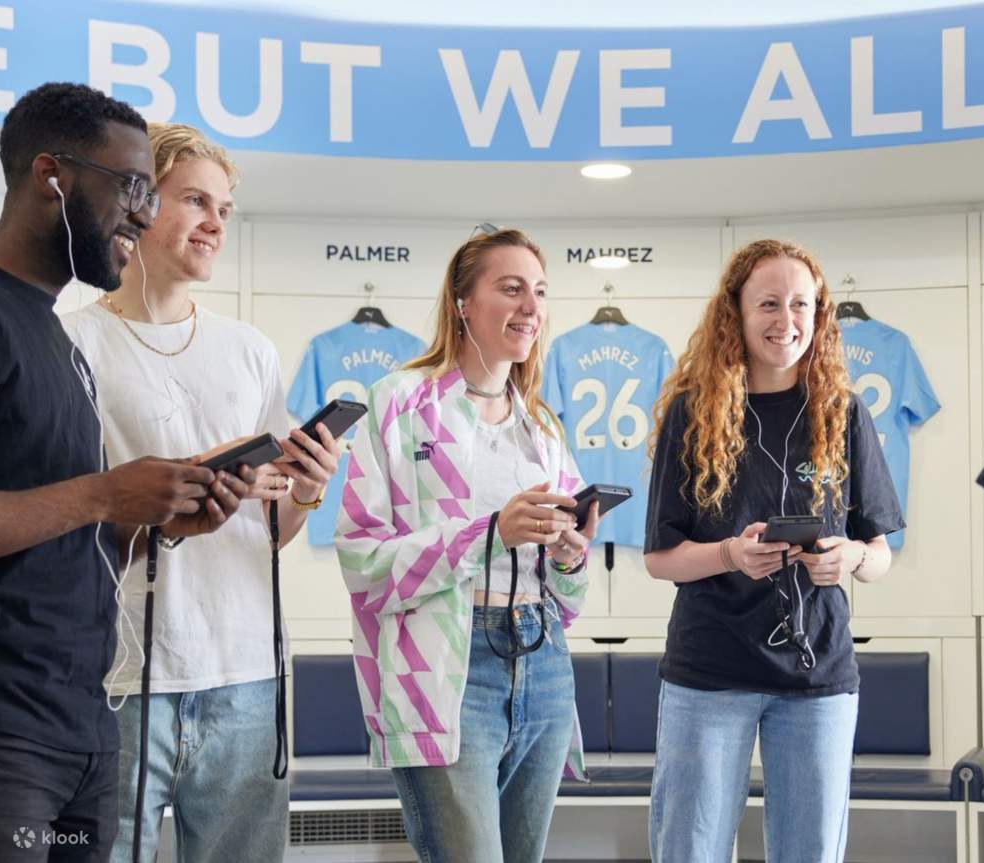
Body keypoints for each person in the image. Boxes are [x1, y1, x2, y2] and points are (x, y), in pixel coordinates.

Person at [60, 122, 342, 863]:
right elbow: (70, 517)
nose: (216, 223)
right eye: (195, 200)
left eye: (224, 208)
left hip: (249, 676)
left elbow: (263, 529)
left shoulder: (250, 350)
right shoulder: (74, 342)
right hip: (122, 679)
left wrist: (304, 491)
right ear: (138, 201)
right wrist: (188, 478)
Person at [0, 83, 251, 861]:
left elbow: (71, 540)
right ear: (52, 176)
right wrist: (109, 491)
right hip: (9, 740)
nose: (142, 215)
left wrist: (150, 520)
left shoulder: (57, 341)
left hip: (83, 728)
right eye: (132, 187)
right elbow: (81, 500)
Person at [334, 226, 599, 863]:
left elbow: (567, 599)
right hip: (445, 668)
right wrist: (488, 534)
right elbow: (363, 561)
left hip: (544, 659)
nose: (531, 307)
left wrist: (570, 554)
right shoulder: (396, 402)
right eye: (511, 289)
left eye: (539, 291)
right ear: (462, 302)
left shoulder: (541, 426)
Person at [644, 238, 902, 862]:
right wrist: (729, 554)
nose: (785, 321)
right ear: (734, 312)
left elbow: (880, 550)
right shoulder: (691, 414)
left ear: (819, 315)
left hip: (817, 679)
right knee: (690, 851)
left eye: (800, 305)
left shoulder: (844, 414)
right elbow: (660, 557)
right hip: (709, 673)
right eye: (768, 303)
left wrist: (853, 560)